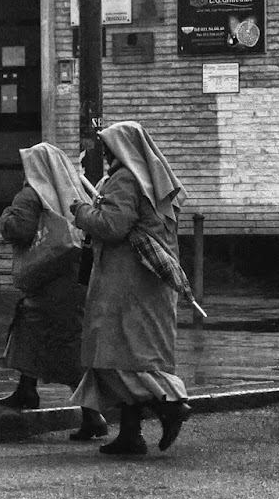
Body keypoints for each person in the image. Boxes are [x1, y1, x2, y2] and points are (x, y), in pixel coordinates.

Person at [68, 120, 191, 456]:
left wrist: (81, 212)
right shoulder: (150, 177)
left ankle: (169, 405)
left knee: (117, 350)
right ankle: (130, 433)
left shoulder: (125, 178)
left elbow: (112, 225)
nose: (105, 153)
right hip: (148, 279)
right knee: (131, 350)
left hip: (126, 280)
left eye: (108, 147)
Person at [0, 142, 107, 440]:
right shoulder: (71, 190)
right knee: (33, 332)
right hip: (74, 278)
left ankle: (92, 415)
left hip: (48, 281)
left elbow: (19, 229)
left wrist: (5, 215)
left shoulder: (31, 194)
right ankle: (26, 389)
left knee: (63, 345)